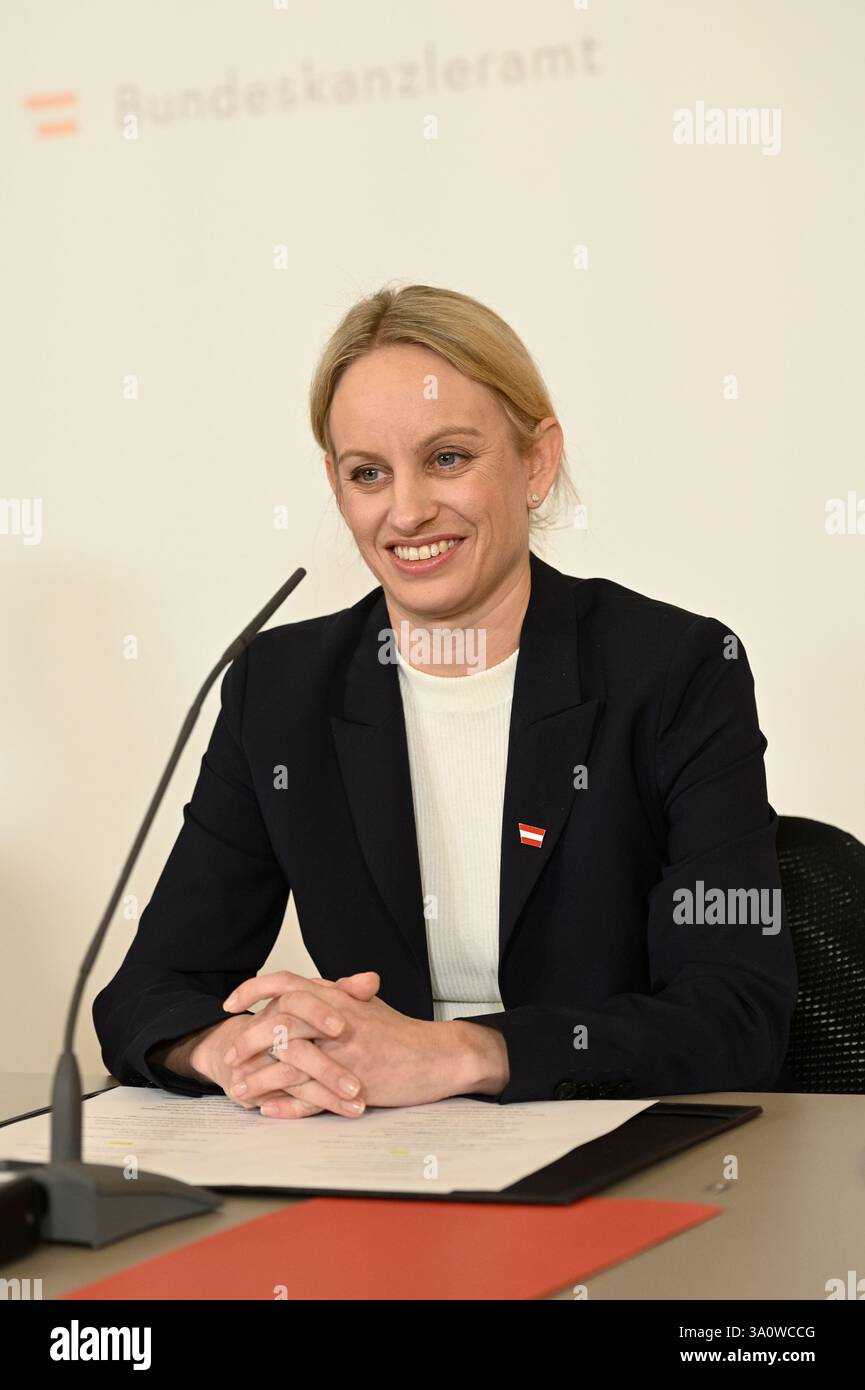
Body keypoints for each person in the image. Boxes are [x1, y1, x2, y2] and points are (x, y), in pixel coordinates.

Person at [93, 283, 798, 1119]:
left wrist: (457, 1054)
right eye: (367, 474)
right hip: (373, 1154)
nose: (407, 510)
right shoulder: (278, 688)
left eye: (448, 458)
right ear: (335, 485)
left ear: (535, 462)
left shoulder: (674, 669)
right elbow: (148, 992)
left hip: (615, 1145)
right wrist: (234, 1049)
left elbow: (737, 1014)